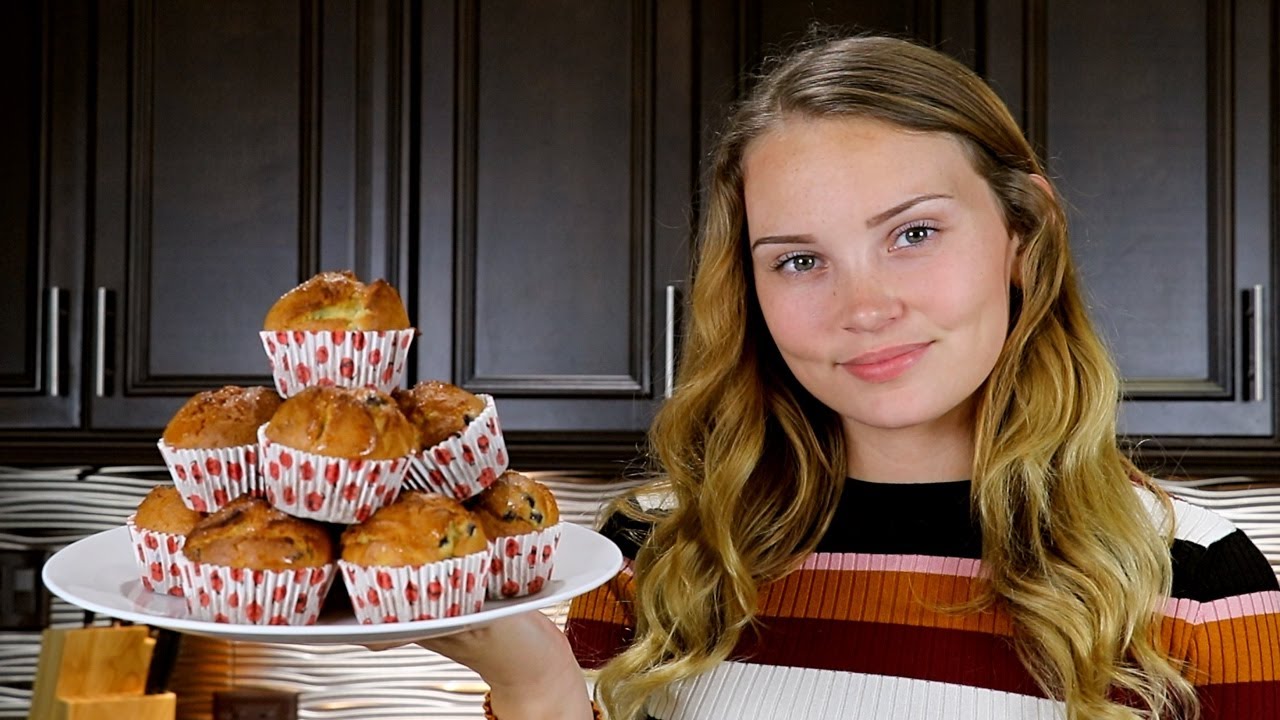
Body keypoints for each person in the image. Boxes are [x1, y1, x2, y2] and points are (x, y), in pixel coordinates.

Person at [420, 34, 1280, 719]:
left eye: (913, 234)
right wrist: (535, 686)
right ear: (749, 290)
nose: (863, 307)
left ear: (1026, 234)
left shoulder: (1196, 576)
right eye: (799, 259)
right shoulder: (654, 554)